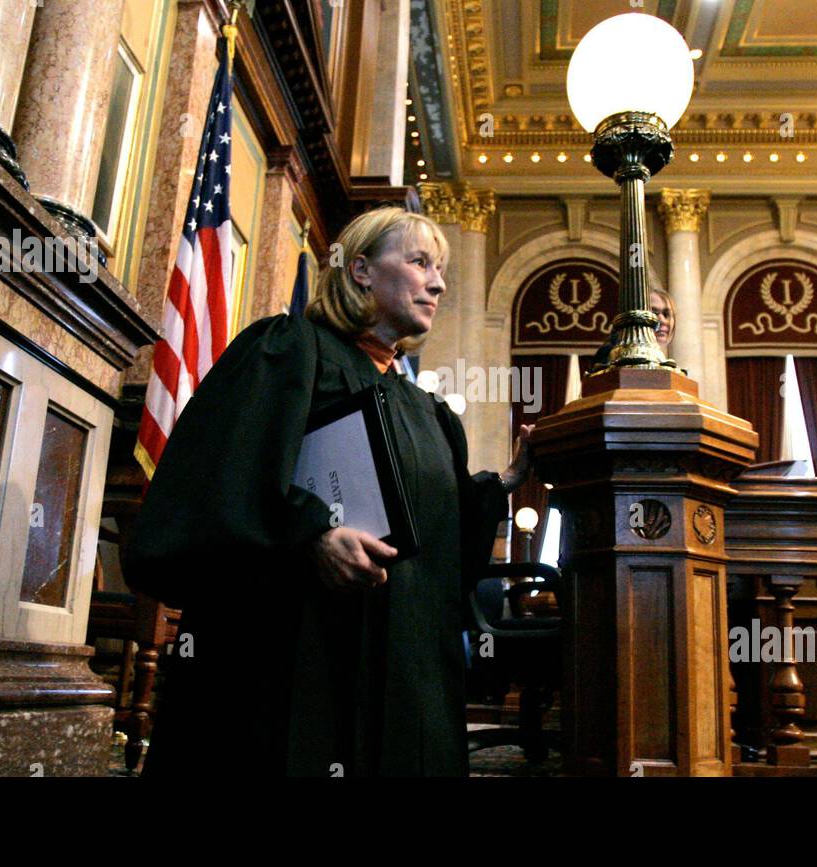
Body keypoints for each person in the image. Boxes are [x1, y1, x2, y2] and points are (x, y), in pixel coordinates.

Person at [124, 206, 534, 777]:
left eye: (439, 268)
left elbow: (437, 545)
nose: (438, 282)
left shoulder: (431, 412)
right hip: (294, 660)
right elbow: (220, 479)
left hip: (405, 677)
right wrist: (309, 535)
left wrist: (502, 484)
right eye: (420, 262)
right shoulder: (291, 351)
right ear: (361, 269)